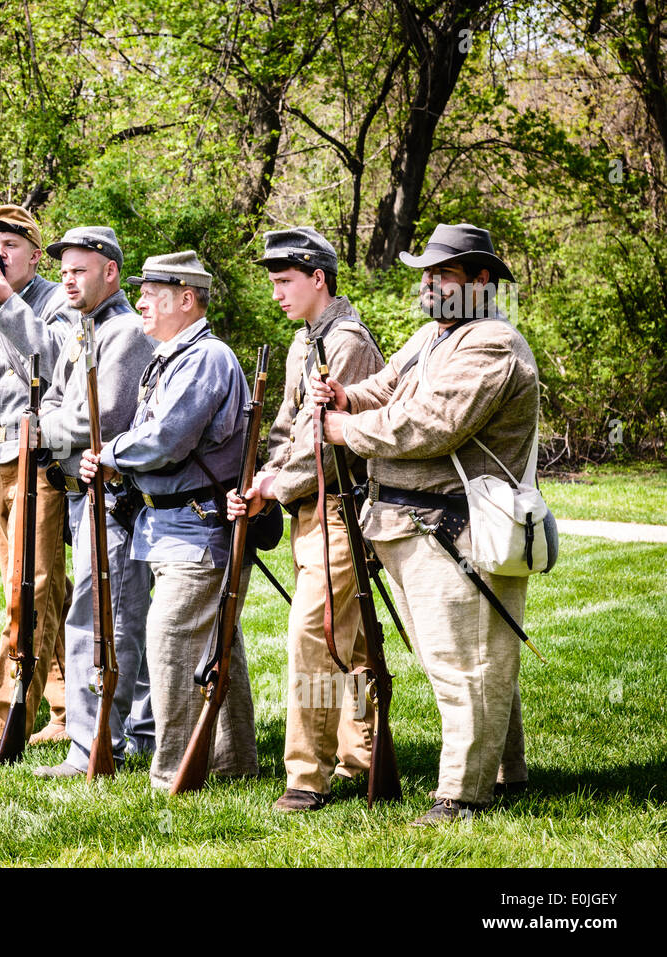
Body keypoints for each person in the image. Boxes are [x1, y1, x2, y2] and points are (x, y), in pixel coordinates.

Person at [310, 223, 537, 825]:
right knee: (472, 656)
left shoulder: (492, 343)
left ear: (480, 281)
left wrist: (345, 431)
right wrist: (345, 395)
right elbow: (386, 388)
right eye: (427, 275)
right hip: (413, 521)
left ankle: (461, 796)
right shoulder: (435, 336)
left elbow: (430, 424)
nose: (429, 285)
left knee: (463, 664)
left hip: (453, 525)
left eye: (443, 275)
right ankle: (505, 772)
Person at [79, 251, 257, 789]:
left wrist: (109, 455)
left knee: (172, 641)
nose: (139, 303)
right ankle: (233, 762)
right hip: (175, 530)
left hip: (199, 530)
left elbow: (167, 438)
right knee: (215, 646)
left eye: (151, 294)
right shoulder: (171, 358)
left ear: (185, 298)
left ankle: (173, 774)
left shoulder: (206, 358)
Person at [228, 227, 386, 811]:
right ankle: (362, 756)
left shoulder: (345, 341)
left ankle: (305, 776)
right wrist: (258, 479)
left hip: (341, 507)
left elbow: (330, 443)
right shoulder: (303, 343)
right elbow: (285, 430)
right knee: (351, 643)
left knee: (313, 639)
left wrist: (273, 486)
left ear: (318, 278)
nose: (276, 294)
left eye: (285, 281)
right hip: (307, 513)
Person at [30, 226, 157, 779]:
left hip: (114, 498)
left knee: (98, 620)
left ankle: (92, 746)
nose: (66, 278)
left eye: (78, 269)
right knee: (123, 620)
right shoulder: (84, 330)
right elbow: (62, 403)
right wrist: (49, 424)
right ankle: (135, 736)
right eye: (63, 270)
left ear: (110, 272)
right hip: (85, 493)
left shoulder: (125, 332)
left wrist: (39, 428)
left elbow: (99, 419)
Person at [0, 204, 74, 762]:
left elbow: (59, 366)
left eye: (8, 243)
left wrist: (10, 307)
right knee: (30, 587)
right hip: (3, 461)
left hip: (44, 460)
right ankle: (65, 706)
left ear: (32, 250)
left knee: (30, 590)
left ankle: (3, 723)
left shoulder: (56, 304)